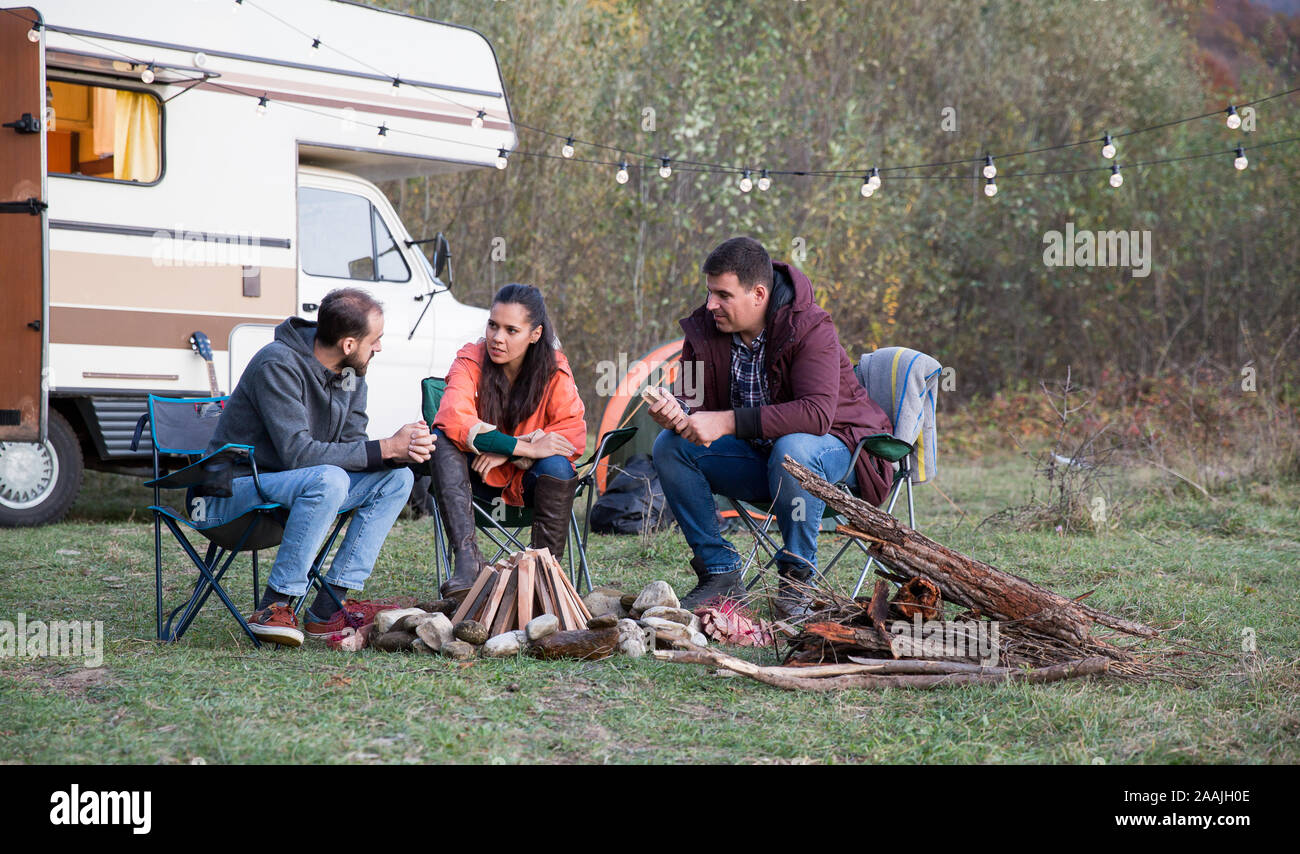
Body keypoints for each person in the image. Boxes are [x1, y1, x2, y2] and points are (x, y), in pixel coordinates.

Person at [649, 237, 894, 617]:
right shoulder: (706, 327)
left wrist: (726, 421)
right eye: (709, 292)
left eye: (723, 295)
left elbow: (815, 415)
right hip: (764, 458)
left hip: (839, 451)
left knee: (792, 447)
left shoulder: (810, 327)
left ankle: (797, 577)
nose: (711, 304)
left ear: (758, 294)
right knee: (670, 446)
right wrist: (677, 409)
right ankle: (720, 574)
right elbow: (692, 394)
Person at [199, 288, 432, 646]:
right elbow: (298, 454)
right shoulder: (277, 364)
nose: (380, 348)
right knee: (329, 479)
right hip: (229, 492)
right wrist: (384, 447)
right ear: (350, 344)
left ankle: (329, 608)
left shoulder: (351, 372)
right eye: (377, 339)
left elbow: (352, 445)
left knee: (396, 479)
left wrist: (400, 453)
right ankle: (274, 605)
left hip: (296, 489)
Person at [431, 283, 587, 601]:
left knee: (557, 463)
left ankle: (544, 575)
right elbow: (454, 418)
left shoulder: (554, 369)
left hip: (532, 483)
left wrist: (510, 454)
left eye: (511, 330)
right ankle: (468, 565)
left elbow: (571, 434)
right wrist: (522, 447)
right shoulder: (470, 359)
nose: (497, 338)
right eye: (493, 325)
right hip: (478, 478)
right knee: (441, 438)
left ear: (535, 334)